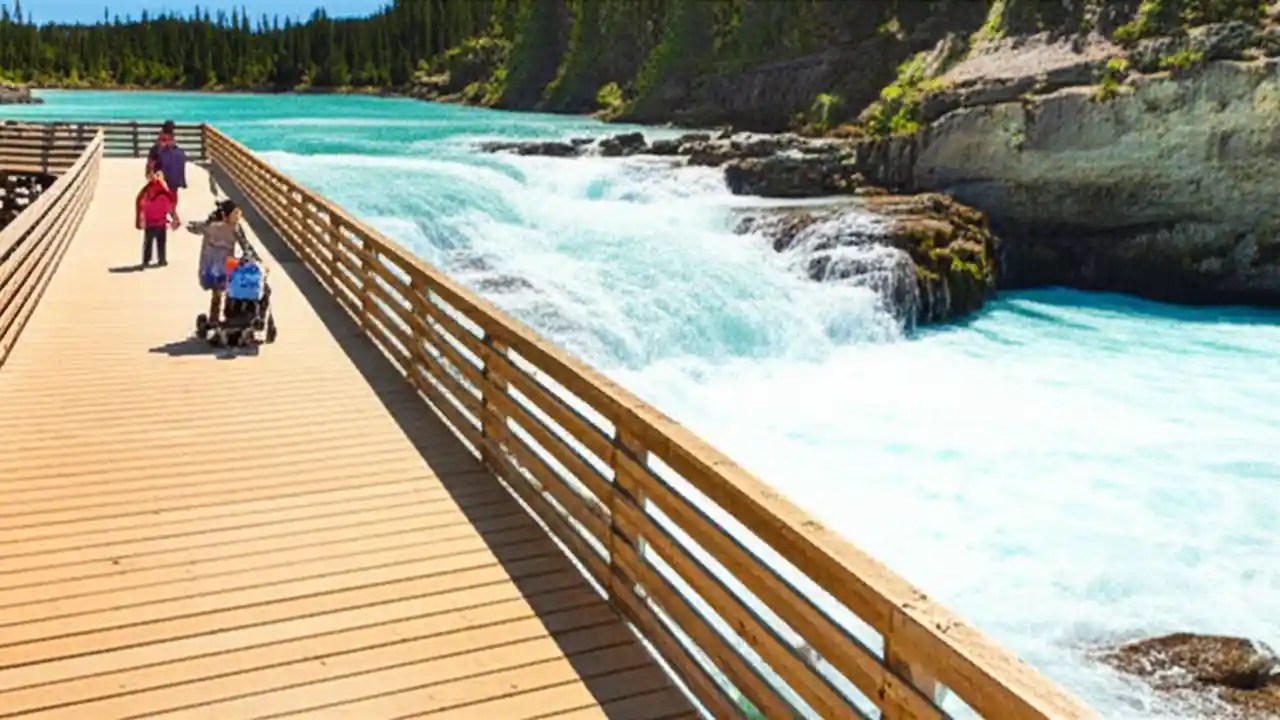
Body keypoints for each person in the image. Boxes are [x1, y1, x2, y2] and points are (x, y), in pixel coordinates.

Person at [187, 199, 242, 326]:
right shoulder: (217, 227)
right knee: (219, 292)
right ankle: (214, 320)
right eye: (235, 214)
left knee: (229, 290)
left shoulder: (234, 228)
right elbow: (198, 228)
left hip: (225, 264)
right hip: (214, 265)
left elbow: (244, 244)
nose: (237, 217)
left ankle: (226, 317)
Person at [134, 168, 180, 267]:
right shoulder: (163, 190)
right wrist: (175, 218)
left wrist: (140, 219)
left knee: (150, 242)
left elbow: (140, 204)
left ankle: (148, 261)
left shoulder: (146, 190)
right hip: (158, 221)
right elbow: (170, 205)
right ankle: (160, 260)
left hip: (153, 221)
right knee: (159, 243)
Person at [146, 120, 188, 201]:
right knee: (171, 189)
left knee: (166, 189)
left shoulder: (165, 139)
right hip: (167, 166)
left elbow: (152, 158)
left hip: (165, 166)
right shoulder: (167, 139)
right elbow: (161, 147)